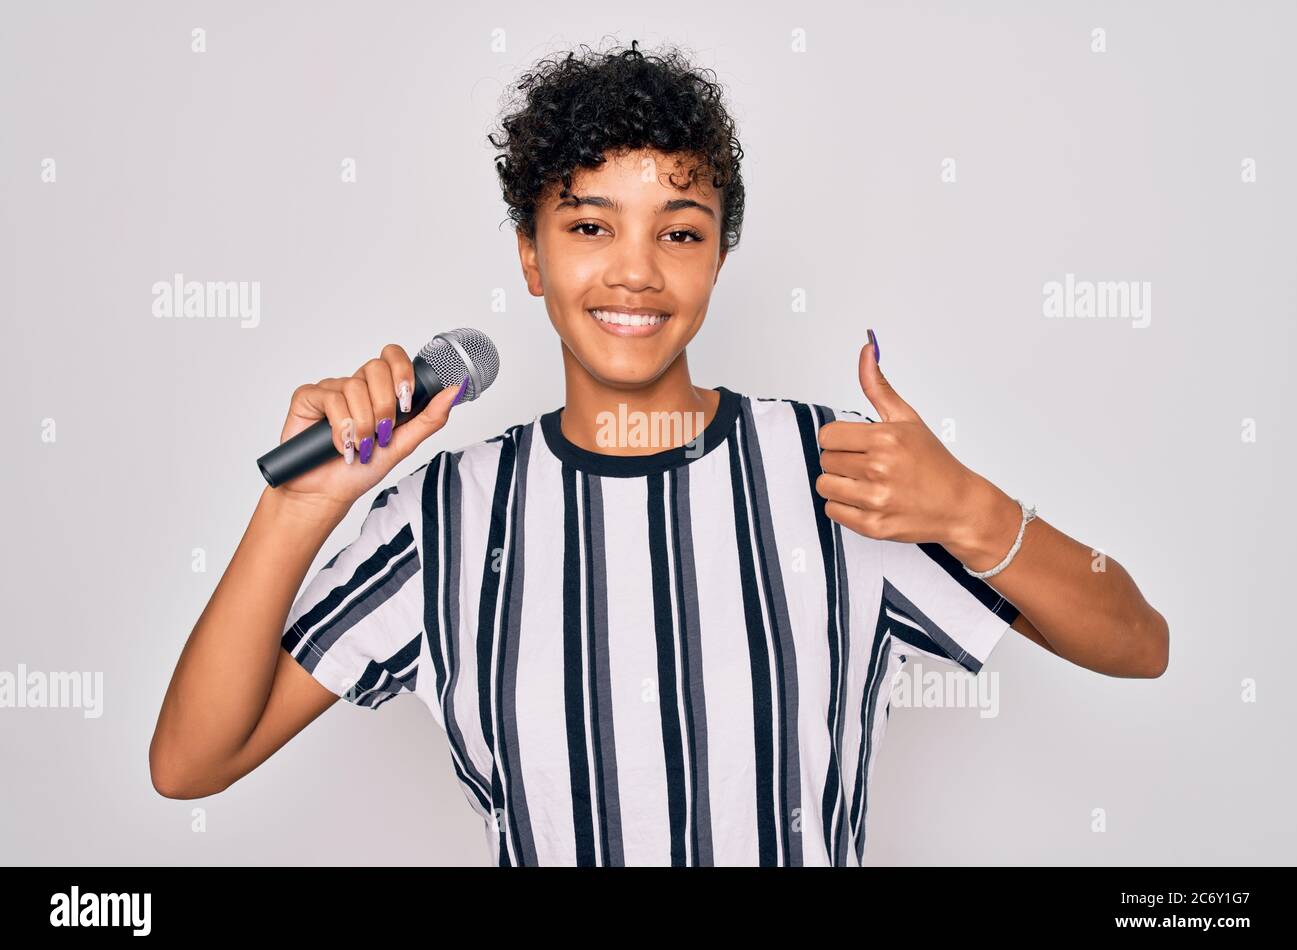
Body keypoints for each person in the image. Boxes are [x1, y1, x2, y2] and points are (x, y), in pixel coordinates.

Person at [150, 40, 1169, 866]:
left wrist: (971, 511)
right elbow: (192, 760)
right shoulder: (443, 512)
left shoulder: (838, 472)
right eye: (590, 224)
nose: (634, 272)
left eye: (679, 232)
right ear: (530, 255)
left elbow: (1136, 640)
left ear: (718, 255)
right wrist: (297, 508)